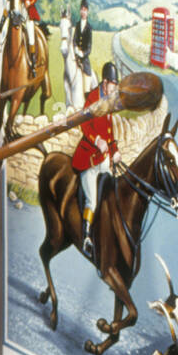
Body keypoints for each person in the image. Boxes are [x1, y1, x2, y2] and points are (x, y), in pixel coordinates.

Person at [72, 61, 119, 261]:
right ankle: (87, 237)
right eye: (113, 85)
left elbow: (109, 130)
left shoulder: (108, 100)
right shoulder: (92, 98)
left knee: (110, 192)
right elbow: (85, 125)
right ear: (105, 82)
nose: (114, 89)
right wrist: (96, 140)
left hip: (104, 158)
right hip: (89, 158)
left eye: (116, 86)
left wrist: (114, 150)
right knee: (92, 198)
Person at [71, 0, 94, 89]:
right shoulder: (77, 25)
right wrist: (75, 48)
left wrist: (82, 53)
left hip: (84, 61)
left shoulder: (89, 28)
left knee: (86, 89)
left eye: (85, 10)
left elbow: (89, 48)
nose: (83, 12)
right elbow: (74, 39)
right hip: (75, 58)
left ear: (87, 12)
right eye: (81, 9)